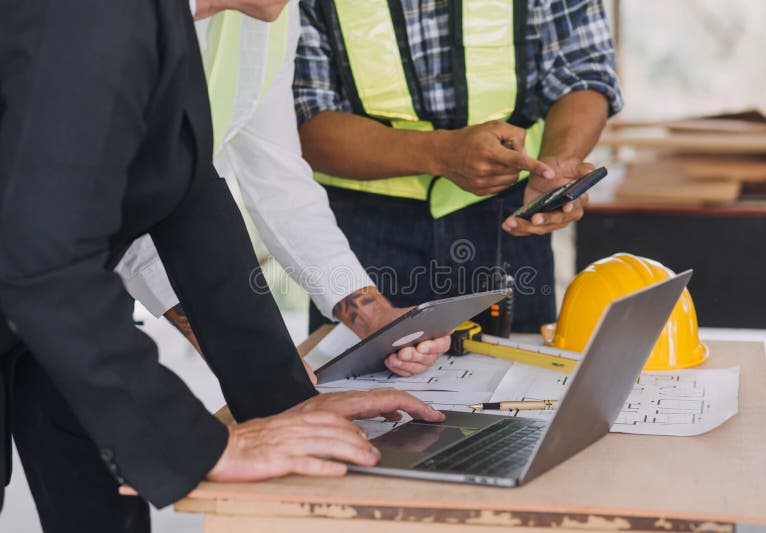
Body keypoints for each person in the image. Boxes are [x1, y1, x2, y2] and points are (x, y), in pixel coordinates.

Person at [0, 2, 443, 532]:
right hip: (45, 285)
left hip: (53, 302)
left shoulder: (182, 20)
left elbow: (186, 196)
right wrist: (195, 447)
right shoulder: (95, 15)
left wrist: (283, 401)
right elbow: (44, 250)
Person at [117, 0, 450, 378]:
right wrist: (239, 343)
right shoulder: (117, 16)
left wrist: (373, 315)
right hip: (54, 266)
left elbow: (278, 177)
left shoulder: (273, 16)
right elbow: (109, 184)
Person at [294, 0, 623, 334]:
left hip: (513, 218)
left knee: (520, 379)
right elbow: (300, 116)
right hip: (361, 234)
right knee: (362, 381)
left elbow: (584, 69)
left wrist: (559, 162)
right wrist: (440, 153)